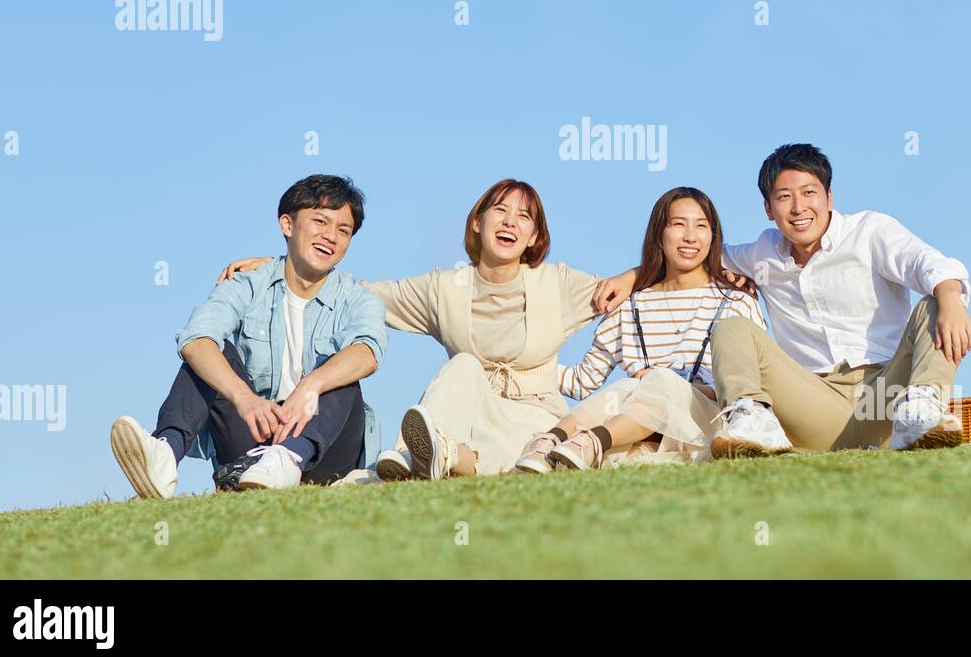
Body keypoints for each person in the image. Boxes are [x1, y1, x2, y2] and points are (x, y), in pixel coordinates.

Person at [218, 179, 610, 482]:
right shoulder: (444, 288)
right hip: (468, 411)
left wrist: (628, 277)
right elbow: (365, 294)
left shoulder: (557, 283)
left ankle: (443, 459)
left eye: (524, 216)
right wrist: (282, 264)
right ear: (477, 222)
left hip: (534, 413)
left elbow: (637, 289)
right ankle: (414, 455)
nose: (510, 222)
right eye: (500, 210)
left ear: (535, 236)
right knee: (464, 366)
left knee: (525, 449)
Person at [596, 143, 971, 456]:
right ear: (768, 208)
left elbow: (930, 265)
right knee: (731, 327)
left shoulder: (870, 232)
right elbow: (698, 253)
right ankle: (751, 420)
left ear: (829, 196)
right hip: (815, 403)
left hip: (890, 396)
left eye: (809, 193)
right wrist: (632, 276)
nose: (798, 208)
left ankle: (921, 412)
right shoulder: (764, 252)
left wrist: (952, 300)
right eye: (784, 197)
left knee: (937, 298)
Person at [109, 175, 389, 499]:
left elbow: (367, 351)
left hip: (325, 450)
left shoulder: (358, 298)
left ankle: (288, 458)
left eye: (344, 230)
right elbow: (196, 339)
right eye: (320, 221)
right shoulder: (247, 284)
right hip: (256, 439)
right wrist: (245, 399)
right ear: (287, 224)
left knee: (340, 373)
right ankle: (164, 455)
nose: (331, 237)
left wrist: (311, 385)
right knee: (213, 353)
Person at [514, 187, 765, 473]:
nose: (690, 237)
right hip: (640, 431)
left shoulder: (736, 301)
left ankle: (594, 441)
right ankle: (549, 443)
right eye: (678, 224)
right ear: (659, 233)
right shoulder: (629, 306)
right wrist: (514, 365)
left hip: (703, 426)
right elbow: (582, 382)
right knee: (626, 387)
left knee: (655, 380)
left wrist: (673, 384)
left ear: (713, 236)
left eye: (701, 226)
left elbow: (754, 386)